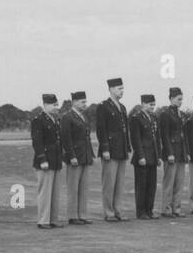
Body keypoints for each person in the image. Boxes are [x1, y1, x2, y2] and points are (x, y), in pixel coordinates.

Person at [96, 77, 131, 222]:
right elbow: (101, 129)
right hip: (110, 150)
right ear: (110, 89)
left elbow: (125, 129)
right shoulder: (104, 107)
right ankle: (109, 212)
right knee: (109, 183)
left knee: (119, 183)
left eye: (122, 88)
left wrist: (127, 147)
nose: (122, 91)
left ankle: (118, 210)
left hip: (121, 149)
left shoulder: (122, 107)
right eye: (119, 88)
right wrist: (105, 148)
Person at [59, 90, 95, 224]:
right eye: (82, 102)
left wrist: (90, 155)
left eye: (85, 101)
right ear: (74, 102)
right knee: (73, 188)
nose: (85, 104)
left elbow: (87, 137)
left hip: (85, 156)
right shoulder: (67, 117)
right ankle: (73, 216)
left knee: (83, 188)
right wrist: (71, 156)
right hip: (75, 157)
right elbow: (66, 139)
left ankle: (82, 215)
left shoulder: (83, 116)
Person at [29, 92, 64, 229]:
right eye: (54, 104)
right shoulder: (39, 120)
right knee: (45, 193)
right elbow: (37, 142)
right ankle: (43, 220)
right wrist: (42, 159)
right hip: (45, 162)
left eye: (57, 104)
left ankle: (53, 219)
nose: (57, 107)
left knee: (55, 193)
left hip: (55, 161)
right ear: (45, 105)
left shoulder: (55, 120)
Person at [158, 87, 188, 217]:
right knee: (169, 183)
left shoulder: (180, 114)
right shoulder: (165, 114)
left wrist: (185, 152)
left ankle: (176, 208)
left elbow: (183, 135)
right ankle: (166, 208)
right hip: (171, 152)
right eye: (178, 99)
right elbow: (165, 135)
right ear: (171, 99)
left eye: (181, 99)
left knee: (179, 182)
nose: (180, 102)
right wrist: (169, 152)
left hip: (180, 152)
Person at [130, 93, 159, 219]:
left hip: (152, 156)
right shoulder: (137, 118)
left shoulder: (152, 118)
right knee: (141, 186)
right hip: (142, 157)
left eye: (153, 104)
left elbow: (156, 139)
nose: (152, 107)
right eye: (149, 104)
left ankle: (149, 210)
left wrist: (158, 157)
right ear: (143, 104)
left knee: (151, 186)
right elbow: (136, 138)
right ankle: (141, 211)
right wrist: (140, 156)